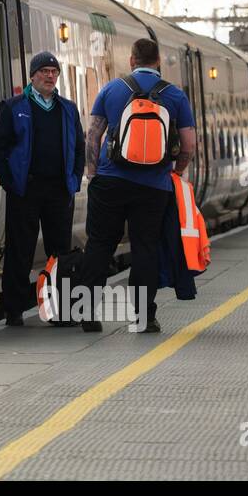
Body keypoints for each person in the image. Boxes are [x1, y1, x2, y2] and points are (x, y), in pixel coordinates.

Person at [80, 38, 198, 334]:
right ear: (158, 62)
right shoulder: (175, 96)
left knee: (99, 245)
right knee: (146, 249)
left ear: (131, 60)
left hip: (110, 182)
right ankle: (144, 316)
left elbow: (93, 136)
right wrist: (177, 172)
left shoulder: (111, 89)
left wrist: (93, 174)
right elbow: (189, 144)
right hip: (154, 186)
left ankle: (88, 314)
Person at [0, 51, 85, 327]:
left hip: (58, 191)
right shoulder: (15, 107)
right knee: (20, 250)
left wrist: (74, 180)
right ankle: (14, 310)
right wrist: (10, 181)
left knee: (59, 253)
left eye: (53, 72)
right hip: (25, 190)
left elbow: (79, 147)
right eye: (43, 71)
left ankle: (62, 310)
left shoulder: (68, 109)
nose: (49, 76)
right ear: (32, 75)